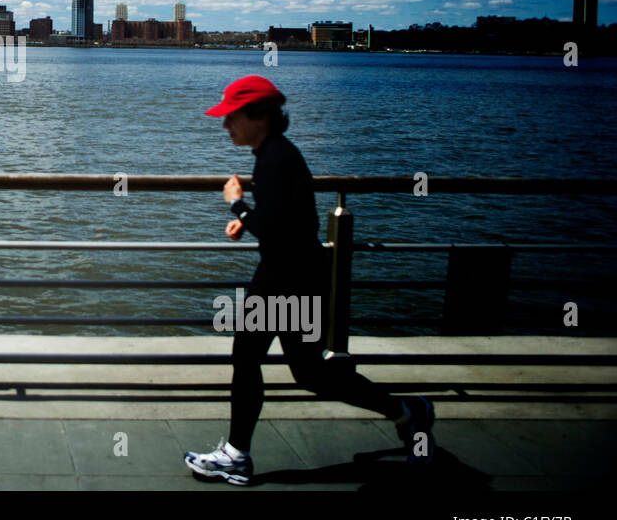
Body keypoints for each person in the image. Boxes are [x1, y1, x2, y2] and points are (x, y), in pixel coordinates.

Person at [183, 75, 435, 485]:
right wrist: (247, 222)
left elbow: (279, 230)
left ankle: (236, 456)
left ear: (259, 117)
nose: (225, 125)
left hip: (286, 277)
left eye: (232, 117)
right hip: (297, 274)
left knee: (250, 358)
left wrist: (237, 205)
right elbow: (289, 221)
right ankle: (407, 411)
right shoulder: (276, 154)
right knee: (309, 374)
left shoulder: (275, 161)